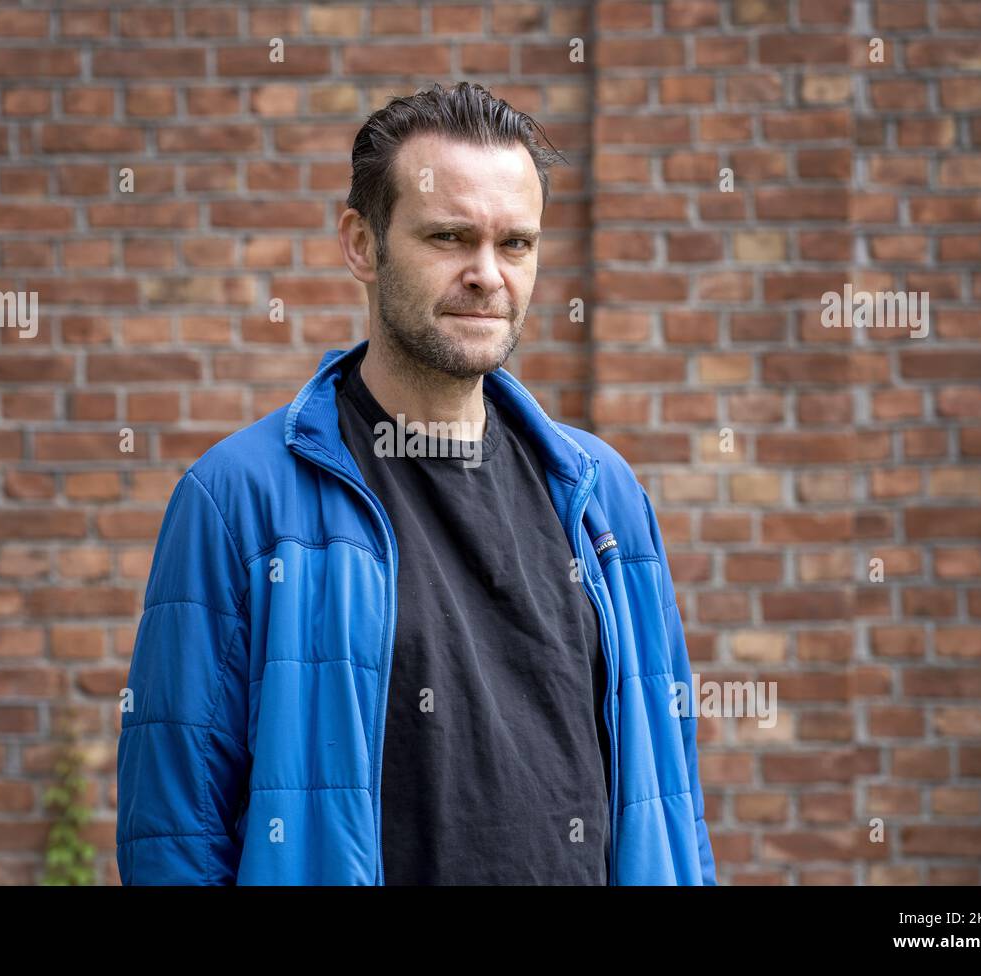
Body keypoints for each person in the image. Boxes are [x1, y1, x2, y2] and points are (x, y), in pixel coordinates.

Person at [116, 81, 716, 886]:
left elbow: (671, 799)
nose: (487, 275)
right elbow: (174, 836)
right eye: (449, 237)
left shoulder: (603, 497)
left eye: (516, 245)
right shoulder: (239, 501)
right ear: (362, 245)